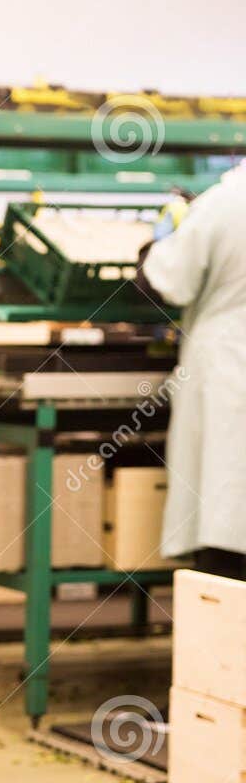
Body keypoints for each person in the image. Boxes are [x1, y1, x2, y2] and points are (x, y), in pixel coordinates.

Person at [141, 173, 246, 580]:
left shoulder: (225, 202)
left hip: (228, 371)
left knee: (225, 512)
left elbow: (166, 283)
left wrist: (156, 244)